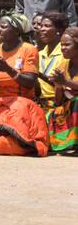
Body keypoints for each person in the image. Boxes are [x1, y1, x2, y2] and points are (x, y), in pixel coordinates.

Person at [34, 11, 75, 153]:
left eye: (46, 26)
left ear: (59, 31)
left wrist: (39, 75)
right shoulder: (37, 54)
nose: (41, 29)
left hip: (59, 102)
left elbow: (63, 86)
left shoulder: (67, 54)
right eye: (40, 26)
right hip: (40, 102)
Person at [0, 12, 39, 101]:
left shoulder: (28, 49)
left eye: (3, 27)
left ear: (17, 31)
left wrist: (8, 69)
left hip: (21, 100)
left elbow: (30, 83)